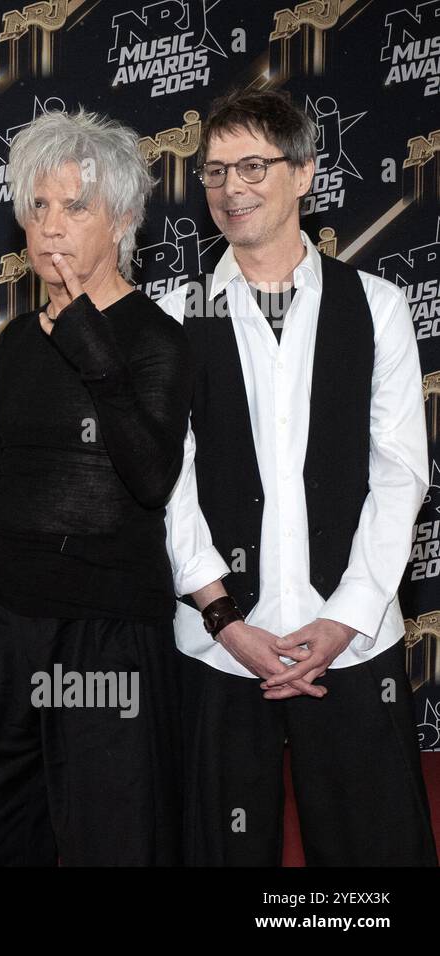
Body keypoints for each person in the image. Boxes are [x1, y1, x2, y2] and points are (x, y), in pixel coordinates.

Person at [158, 88, 437, 866]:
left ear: (307, 172)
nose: (231, 188)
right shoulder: (177, 312)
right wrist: (223, 617)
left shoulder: (376, 306)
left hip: (352, 644)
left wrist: (345, 617)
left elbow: (401, 473)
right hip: (219, 646)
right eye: (214, 172)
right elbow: (167, 481)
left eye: (253, 166)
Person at [0, 110, 191, 865]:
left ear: (126, 218)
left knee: (110, 847)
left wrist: (88, 346)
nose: (50, 226)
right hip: (10, 634)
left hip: (108, 641)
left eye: (76, 206)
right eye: (38, 206)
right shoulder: (15, 344)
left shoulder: (160, 340)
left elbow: (150, 478)